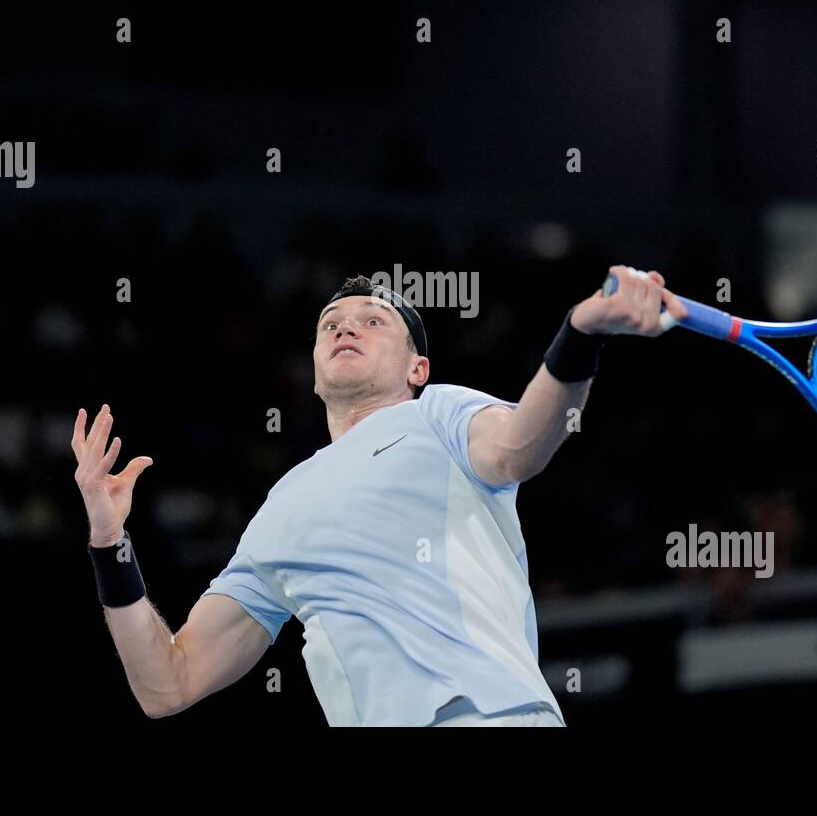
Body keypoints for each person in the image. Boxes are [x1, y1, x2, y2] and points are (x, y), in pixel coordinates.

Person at [73, 266, 687, 726]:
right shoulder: (279, 509)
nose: (346, 327)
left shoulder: (441, 414)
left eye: (374, 320)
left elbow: (520, 447)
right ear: (314, 373)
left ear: (417, 368)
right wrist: (109, 543)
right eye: (331, 325)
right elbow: (167, 687)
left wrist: (579, 335)